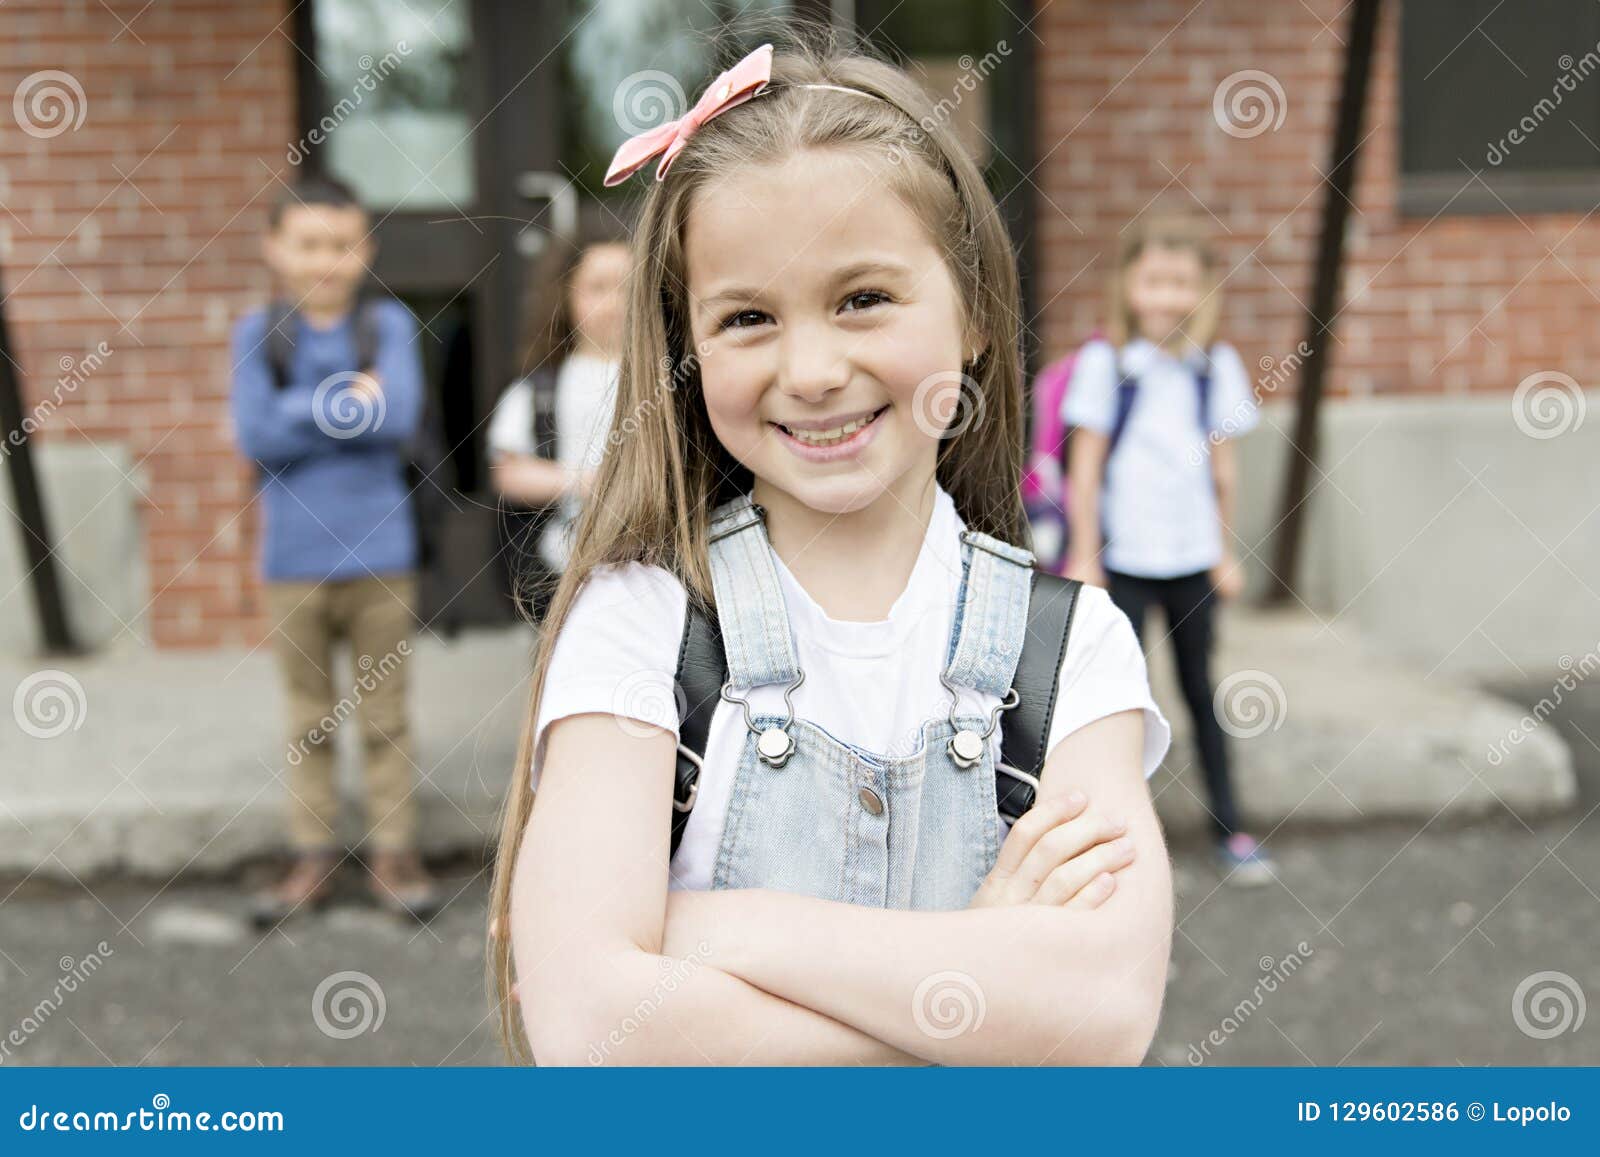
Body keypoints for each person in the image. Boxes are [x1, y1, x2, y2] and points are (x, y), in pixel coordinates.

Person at [488, 36, 1175, 1066]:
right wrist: (978, 983)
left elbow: (1105, 1013)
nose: (810, 369)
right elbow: (592, 1028)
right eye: (748, 317)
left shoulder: (1069, 649)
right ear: (688, 353)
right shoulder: (642, 621)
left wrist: (711, 931)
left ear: (975, 313)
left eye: (862, 298)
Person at [231, 175, 441, 925]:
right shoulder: (257, 335)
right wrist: (350, 399)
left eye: (341, 243)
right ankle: (312, 855)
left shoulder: (389, 326)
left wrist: (309, 412)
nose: (326, 259)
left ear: (366, 249)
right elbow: (255, 434)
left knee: (385, 716)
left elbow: (400, 415)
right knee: (308, 717)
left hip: (382, 552)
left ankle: (395, 854)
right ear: (276, 250)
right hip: (290, 562)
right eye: (309, 243)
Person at [1062, 211, 1276, 886]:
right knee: (1122, 699)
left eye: (1182, 281)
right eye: (1154, 279)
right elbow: (1085, 469)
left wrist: (1225, 551)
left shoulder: (1214, 368)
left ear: (1202, 290)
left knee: (1198, 688)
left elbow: (1224, 470)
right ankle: (1123, 836)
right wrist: (1085, 554)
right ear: (1129, 285)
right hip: (1123, 561)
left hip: (1190, 560)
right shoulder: (1105, 364)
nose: (1167, 295)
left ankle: (1230, 824)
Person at [486, 231, 628, 620]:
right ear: (565, 294)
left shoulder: (672, 383)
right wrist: (589, 482)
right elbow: (508, 471)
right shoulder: (540, 387)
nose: (615, 303)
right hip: (564, 570)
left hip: (656, 571)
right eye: (597, 288)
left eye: (628, 288)